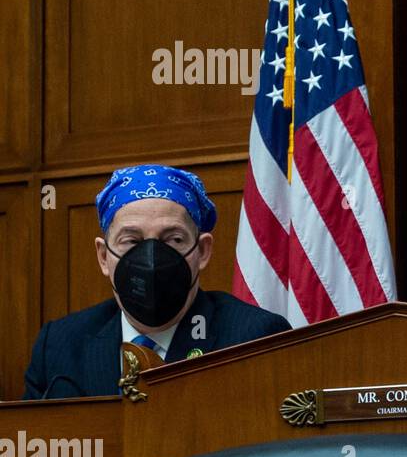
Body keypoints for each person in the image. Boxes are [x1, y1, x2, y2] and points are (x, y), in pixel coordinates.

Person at [23, 165, 292, 400]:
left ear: (202, 251)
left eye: (173, 240)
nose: (151, 257)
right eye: (132, 241)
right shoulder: (60, 346)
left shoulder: (254, 339)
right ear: (104, 257)